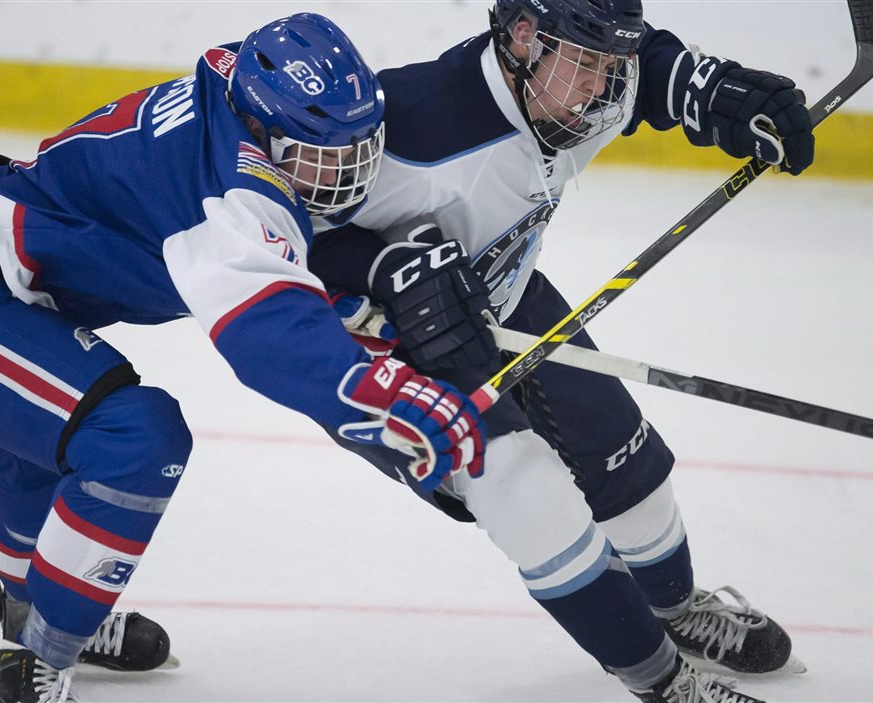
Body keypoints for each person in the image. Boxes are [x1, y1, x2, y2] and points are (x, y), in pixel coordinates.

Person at [0, 13, 486, 703]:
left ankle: (30, 597)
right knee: (134, 438)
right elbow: (265, 333)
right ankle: (39, 654)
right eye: (321, 152)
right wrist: (380, 391)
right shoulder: (234, 189)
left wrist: (330, 305)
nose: (345, 171)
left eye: (355, 148)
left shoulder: (233, 85)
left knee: (49, 471)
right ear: (266, 132)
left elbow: (254, 260)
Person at [308, 1, 816, 701]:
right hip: (405, 353)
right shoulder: (416, 124)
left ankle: (676, 607)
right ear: (523, 36)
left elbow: (656, 75)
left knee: (623, 450)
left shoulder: (576, 80)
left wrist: (717, 91)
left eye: (616, 63)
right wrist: (374, 278)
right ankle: (659, 678)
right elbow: (296, 222)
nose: (606, 86)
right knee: (531, 493)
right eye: (588, 61)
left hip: (510, 303)